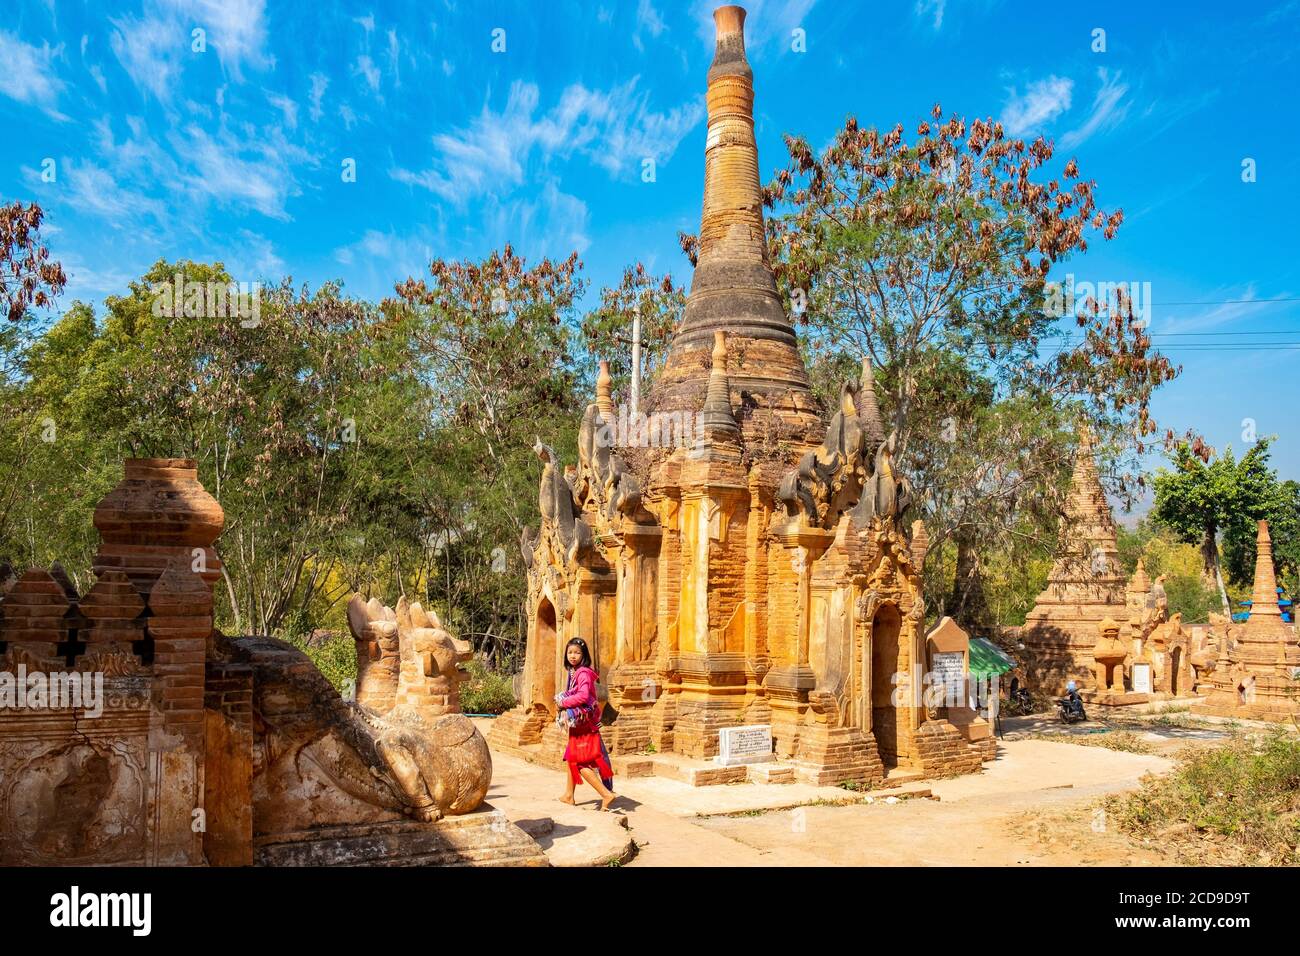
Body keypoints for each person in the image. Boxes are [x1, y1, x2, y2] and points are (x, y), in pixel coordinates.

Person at [556, 637, 616, 810]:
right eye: (570, 652)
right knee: (571, 757)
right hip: (579, 725)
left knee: (580, 763)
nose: (573, 656)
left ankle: (606, 794)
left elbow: (583, 696)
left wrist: (563, 703)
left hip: (585, 725)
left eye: (577, 653)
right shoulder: (573, 672)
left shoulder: (583, 673)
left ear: (584, 655)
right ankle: (569, 795)